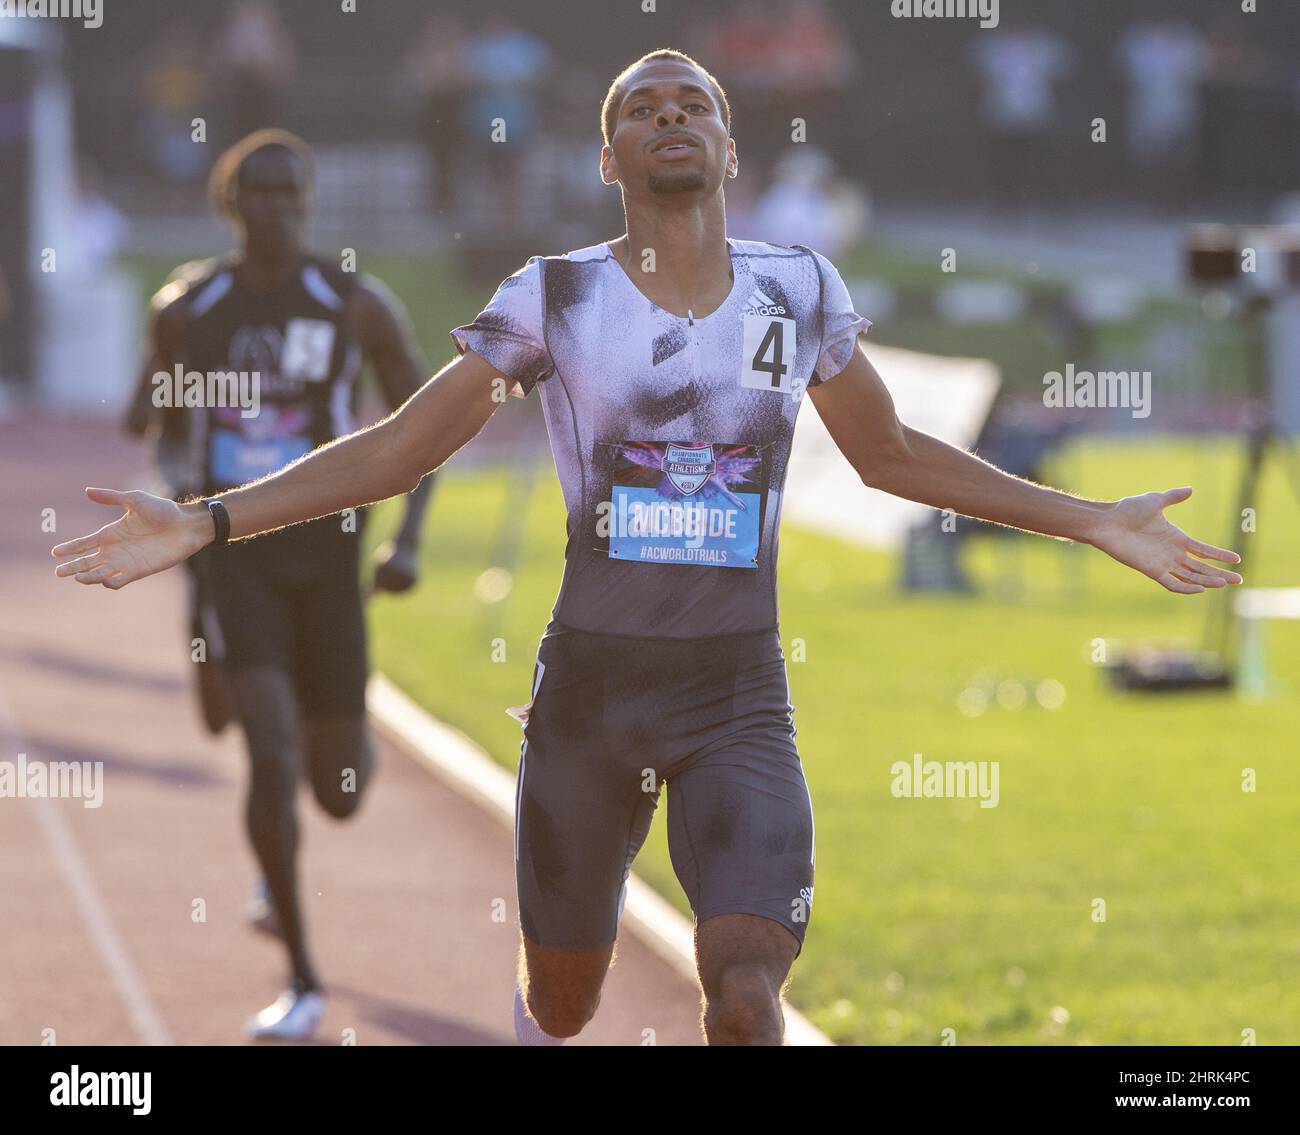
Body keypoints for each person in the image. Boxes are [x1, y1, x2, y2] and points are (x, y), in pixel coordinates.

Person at [52, 52, 1243, 1047]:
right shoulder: (557, 296)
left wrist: (1089, 520)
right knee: (563, 1005)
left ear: (731, 155)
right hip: (588, 697)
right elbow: (399, 450)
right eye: (641, 107)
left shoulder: (796, 293)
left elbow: (894, 457)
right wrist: (208, 519)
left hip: (735, 697)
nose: (670, 115)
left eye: (696, 107)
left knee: (742, 993)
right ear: (610, 161)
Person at [119, 128, 435, 1040]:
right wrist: (173, 412)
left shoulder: (354, 304)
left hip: (331, 554)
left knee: (337, 790)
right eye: (256, 191)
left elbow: (425, 431)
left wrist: (407, 543)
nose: (275, 207)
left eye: (290, 191)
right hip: (233, 549)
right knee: (261, 743)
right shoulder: (191, 302)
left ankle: (323, 724)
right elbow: (152, 417)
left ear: (310, 201)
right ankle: (302, 977)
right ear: (230, 203)